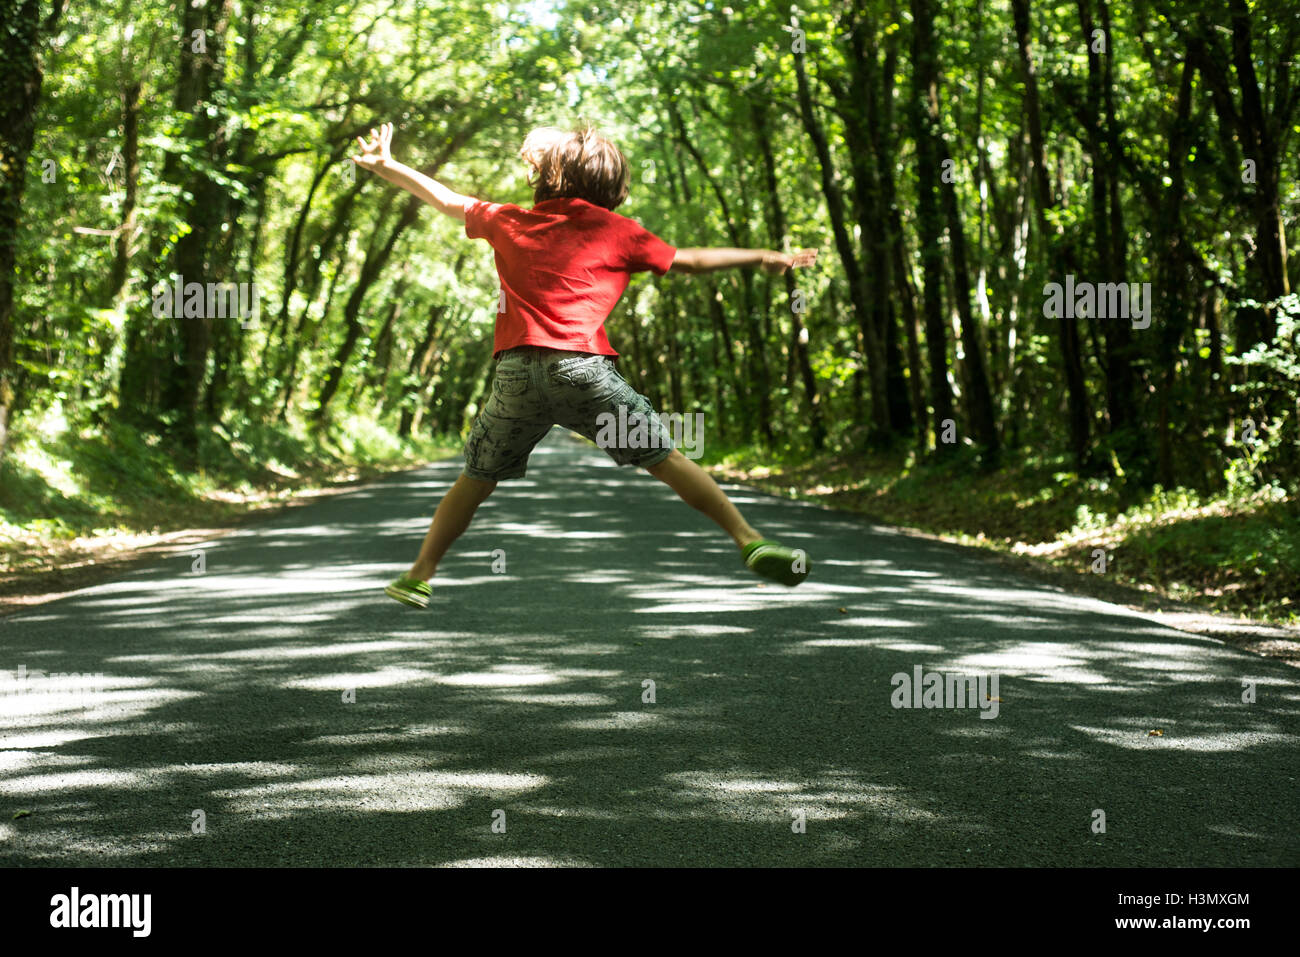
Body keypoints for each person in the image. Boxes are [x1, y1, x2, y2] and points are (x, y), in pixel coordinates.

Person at [352, 122, 817, 609]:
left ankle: (420, 573)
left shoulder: (509, 220)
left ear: (546, 177)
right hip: (583, 371)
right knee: (665, 458)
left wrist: (388, 165)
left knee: (476, 478)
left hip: (516, 376)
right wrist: (762, 256)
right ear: (610, 184)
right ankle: (746, 538)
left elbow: (446, 200)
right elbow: (692, 261)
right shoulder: (619, 232)